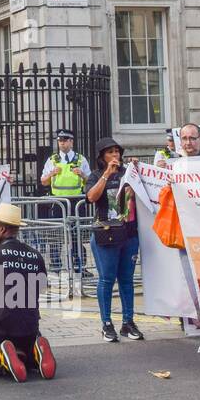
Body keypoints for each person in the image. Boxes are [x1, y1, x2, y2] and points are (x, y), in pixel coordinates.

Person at [0, 203, 55, 382]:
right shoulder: (35, 255)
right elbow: (43, 286)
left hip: (0, 324)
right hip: (30, 324)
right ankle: (35, 350)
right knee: (21, 354)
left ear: (3, 229)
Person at [85, 137, 144, 343]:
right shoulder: (94, 175)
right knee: (107, 279)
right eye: (110, 152)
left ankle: (128, 322)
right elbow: (92, 197)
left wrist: (140, 171)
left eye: (117, 152)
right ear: (102, 157)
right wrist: (106, 175)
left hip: (129, 233)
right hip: (106, 233)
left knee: (127, 280)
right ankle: (106, 324)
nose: (115, 156)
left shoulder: (129, 173)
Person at [40, 130, 90, 205]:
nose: (62, 143)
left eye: (65, 140)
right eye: (60, 140)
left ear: (71, 142)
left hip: (77, 201)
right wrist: (52, 173)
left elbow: (90, 181)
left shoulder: (81, 160)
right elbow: (43, 182)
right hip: (57, 201)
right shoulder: (51, 160)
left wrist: (82, 174)